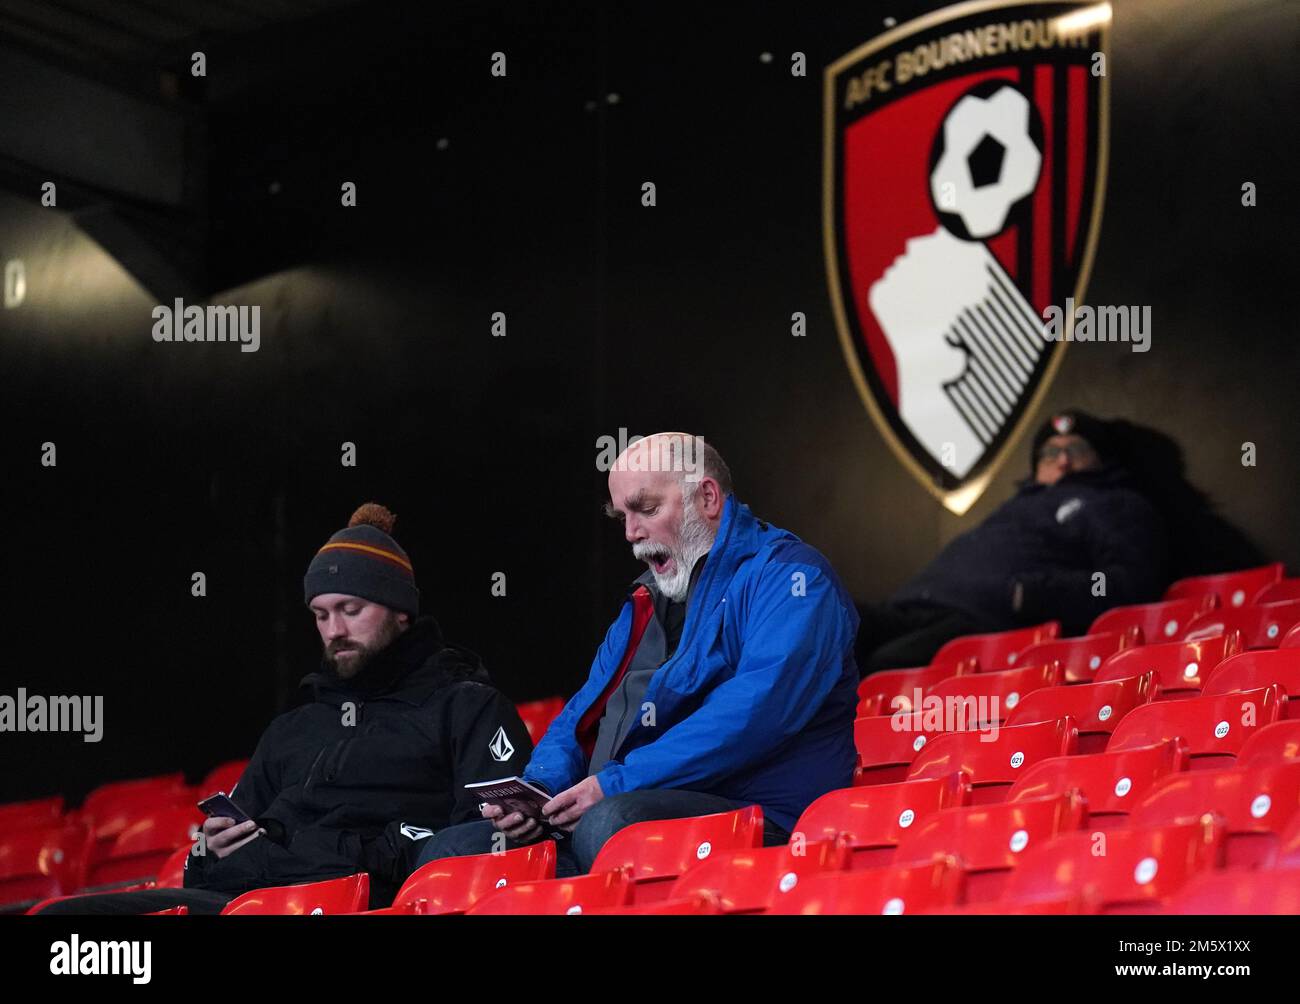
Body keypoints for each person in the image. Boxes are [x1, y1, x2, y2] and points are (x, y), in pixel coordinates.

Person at [36, 503, 532, 914]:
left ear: (401, 610)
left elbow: (476, 843)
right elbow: (222, 844)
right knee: (64, 918)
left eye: (351, 610)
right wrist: (211, 848)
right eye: (320, 614)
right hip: (246, 898)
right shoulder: (296, 725)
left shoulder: (467, 707)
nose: (334, 630)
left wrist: (320, 855)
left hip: (352, 902)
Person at [415, 432, 860, 878]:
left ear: (707, 497)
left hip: (768, 818)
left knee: (611, 826)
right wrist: (540, 789)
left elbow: (755, 713)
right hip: (636, 802)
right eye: (622, 516)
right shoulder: (645, 599)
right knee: (452, 851)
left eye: (646, 509)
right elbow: (586, 711)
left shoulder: (793, 578)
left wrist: (615, 784)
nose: (631, 533)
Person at [856, 410, 1168, 675]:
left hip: (981, 621)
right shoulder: (1015, 505)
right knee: (833, 625)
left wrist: (1032, 595)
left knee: (883, 667)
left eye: (1076, 450)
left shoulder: (1114, 503)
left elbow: (1130, 584)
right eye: (1049, 453)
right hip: (912, 606)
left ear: (1101, 459)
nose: (1061, 461)